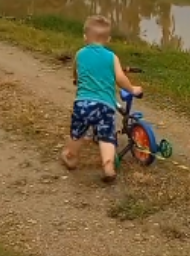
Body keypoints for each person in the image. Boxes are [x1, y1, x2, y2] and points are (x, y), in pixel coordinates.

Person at [60, 15, 142, 183]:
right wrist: (132, 88)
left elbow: (75, 72)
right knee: (106, 137)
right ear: (108, 39)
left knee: (77, 133)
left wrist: (77, 79)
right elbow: (120, 78)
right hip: (105, 105)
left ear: (85, 38)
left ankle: (71, 157)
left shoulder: (80, 53)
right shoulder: (112, 57)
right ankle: (108, 166)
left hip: (82, 103)